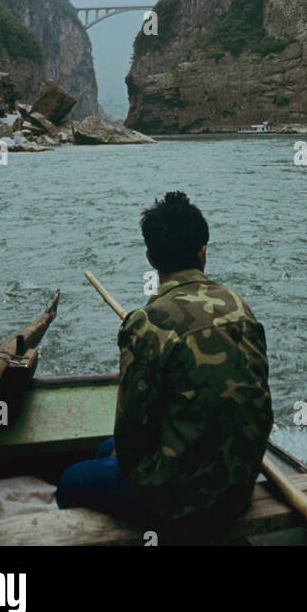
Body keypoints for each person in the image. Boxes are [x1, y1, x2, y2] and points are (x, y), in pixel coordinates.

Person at [56, 190, 273, 545]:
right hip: (240, 486)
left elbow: (130, 438)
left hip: (180, 504)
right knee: (101, 451)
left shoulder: (147, 322)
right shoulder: (238, 305)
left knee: (71, 478)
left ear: (151, 258)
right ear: (203, 250)